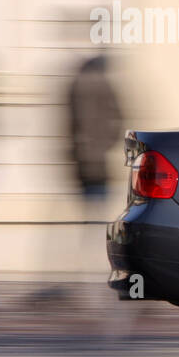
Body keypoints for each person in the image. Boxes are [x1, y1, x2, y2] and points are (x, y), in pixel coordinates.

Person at [66, 55, 123, 306]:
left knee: (91, 225)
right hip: (97, 166)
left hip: (83, 166)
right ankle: (100, 282)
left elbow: (68, 126)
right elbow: (118, 118)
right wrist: (103, 145)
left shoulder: (76, 84)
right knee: (101, 225)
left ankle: (90, 283)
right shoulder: (102, 84)